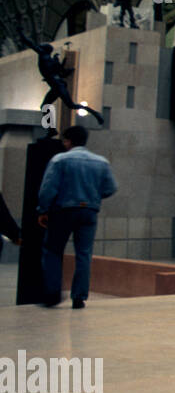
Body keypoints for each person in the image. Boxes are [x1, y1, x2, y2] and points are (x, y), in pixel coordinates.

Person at [37, 125, 117, 309]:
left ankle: (52, 294)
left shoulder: (59, 160)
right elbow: (111, 188)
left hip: (63, 210)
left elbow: (48, 189)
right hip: (89, 211)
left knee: (53, 251)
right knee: (84, 253)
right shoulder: (101, 162)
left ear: (68, 141)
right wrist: (94, 198)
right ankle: (79, 297)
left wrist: (43, 210)